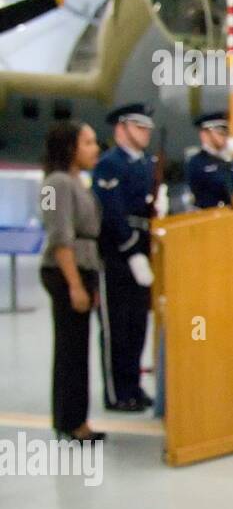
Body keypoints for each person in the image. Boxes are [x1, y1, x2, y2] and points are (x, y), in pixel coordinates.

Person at [39, 121, 106, 441]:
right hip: (66, 270)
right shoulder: (56, 184)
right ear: (70, 148)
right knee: (70, 349)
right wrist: (75, 284)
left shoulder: (78, 183)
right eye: (88, 143)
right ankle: (70, 422)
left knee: (77, 348)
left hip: (84, 268)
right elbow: (60, 236)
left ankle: (72, 418)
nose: (95, 149)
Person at [92, 102, 157, 413]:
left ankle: (133, 386)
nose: (145, 133)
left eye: (147, 128)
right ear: (121, 128)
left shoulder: (147, 164)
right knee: (117, 326)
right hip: (118, 254)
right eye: (139, 127)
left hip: (144, 248)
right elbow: (111, 212)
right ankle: (117, 392)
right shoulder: (109, 164)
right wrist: (131, 250)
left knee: (137, 326)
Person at [185, 112, 233, 209]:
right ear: (204, 135)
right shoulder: (197, 162)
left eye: (225, 133)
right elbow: (222, 186)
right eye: (220, 133)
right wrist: (230, 162)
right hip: (208, 217)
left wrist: (232, 160)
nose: (224, 137)